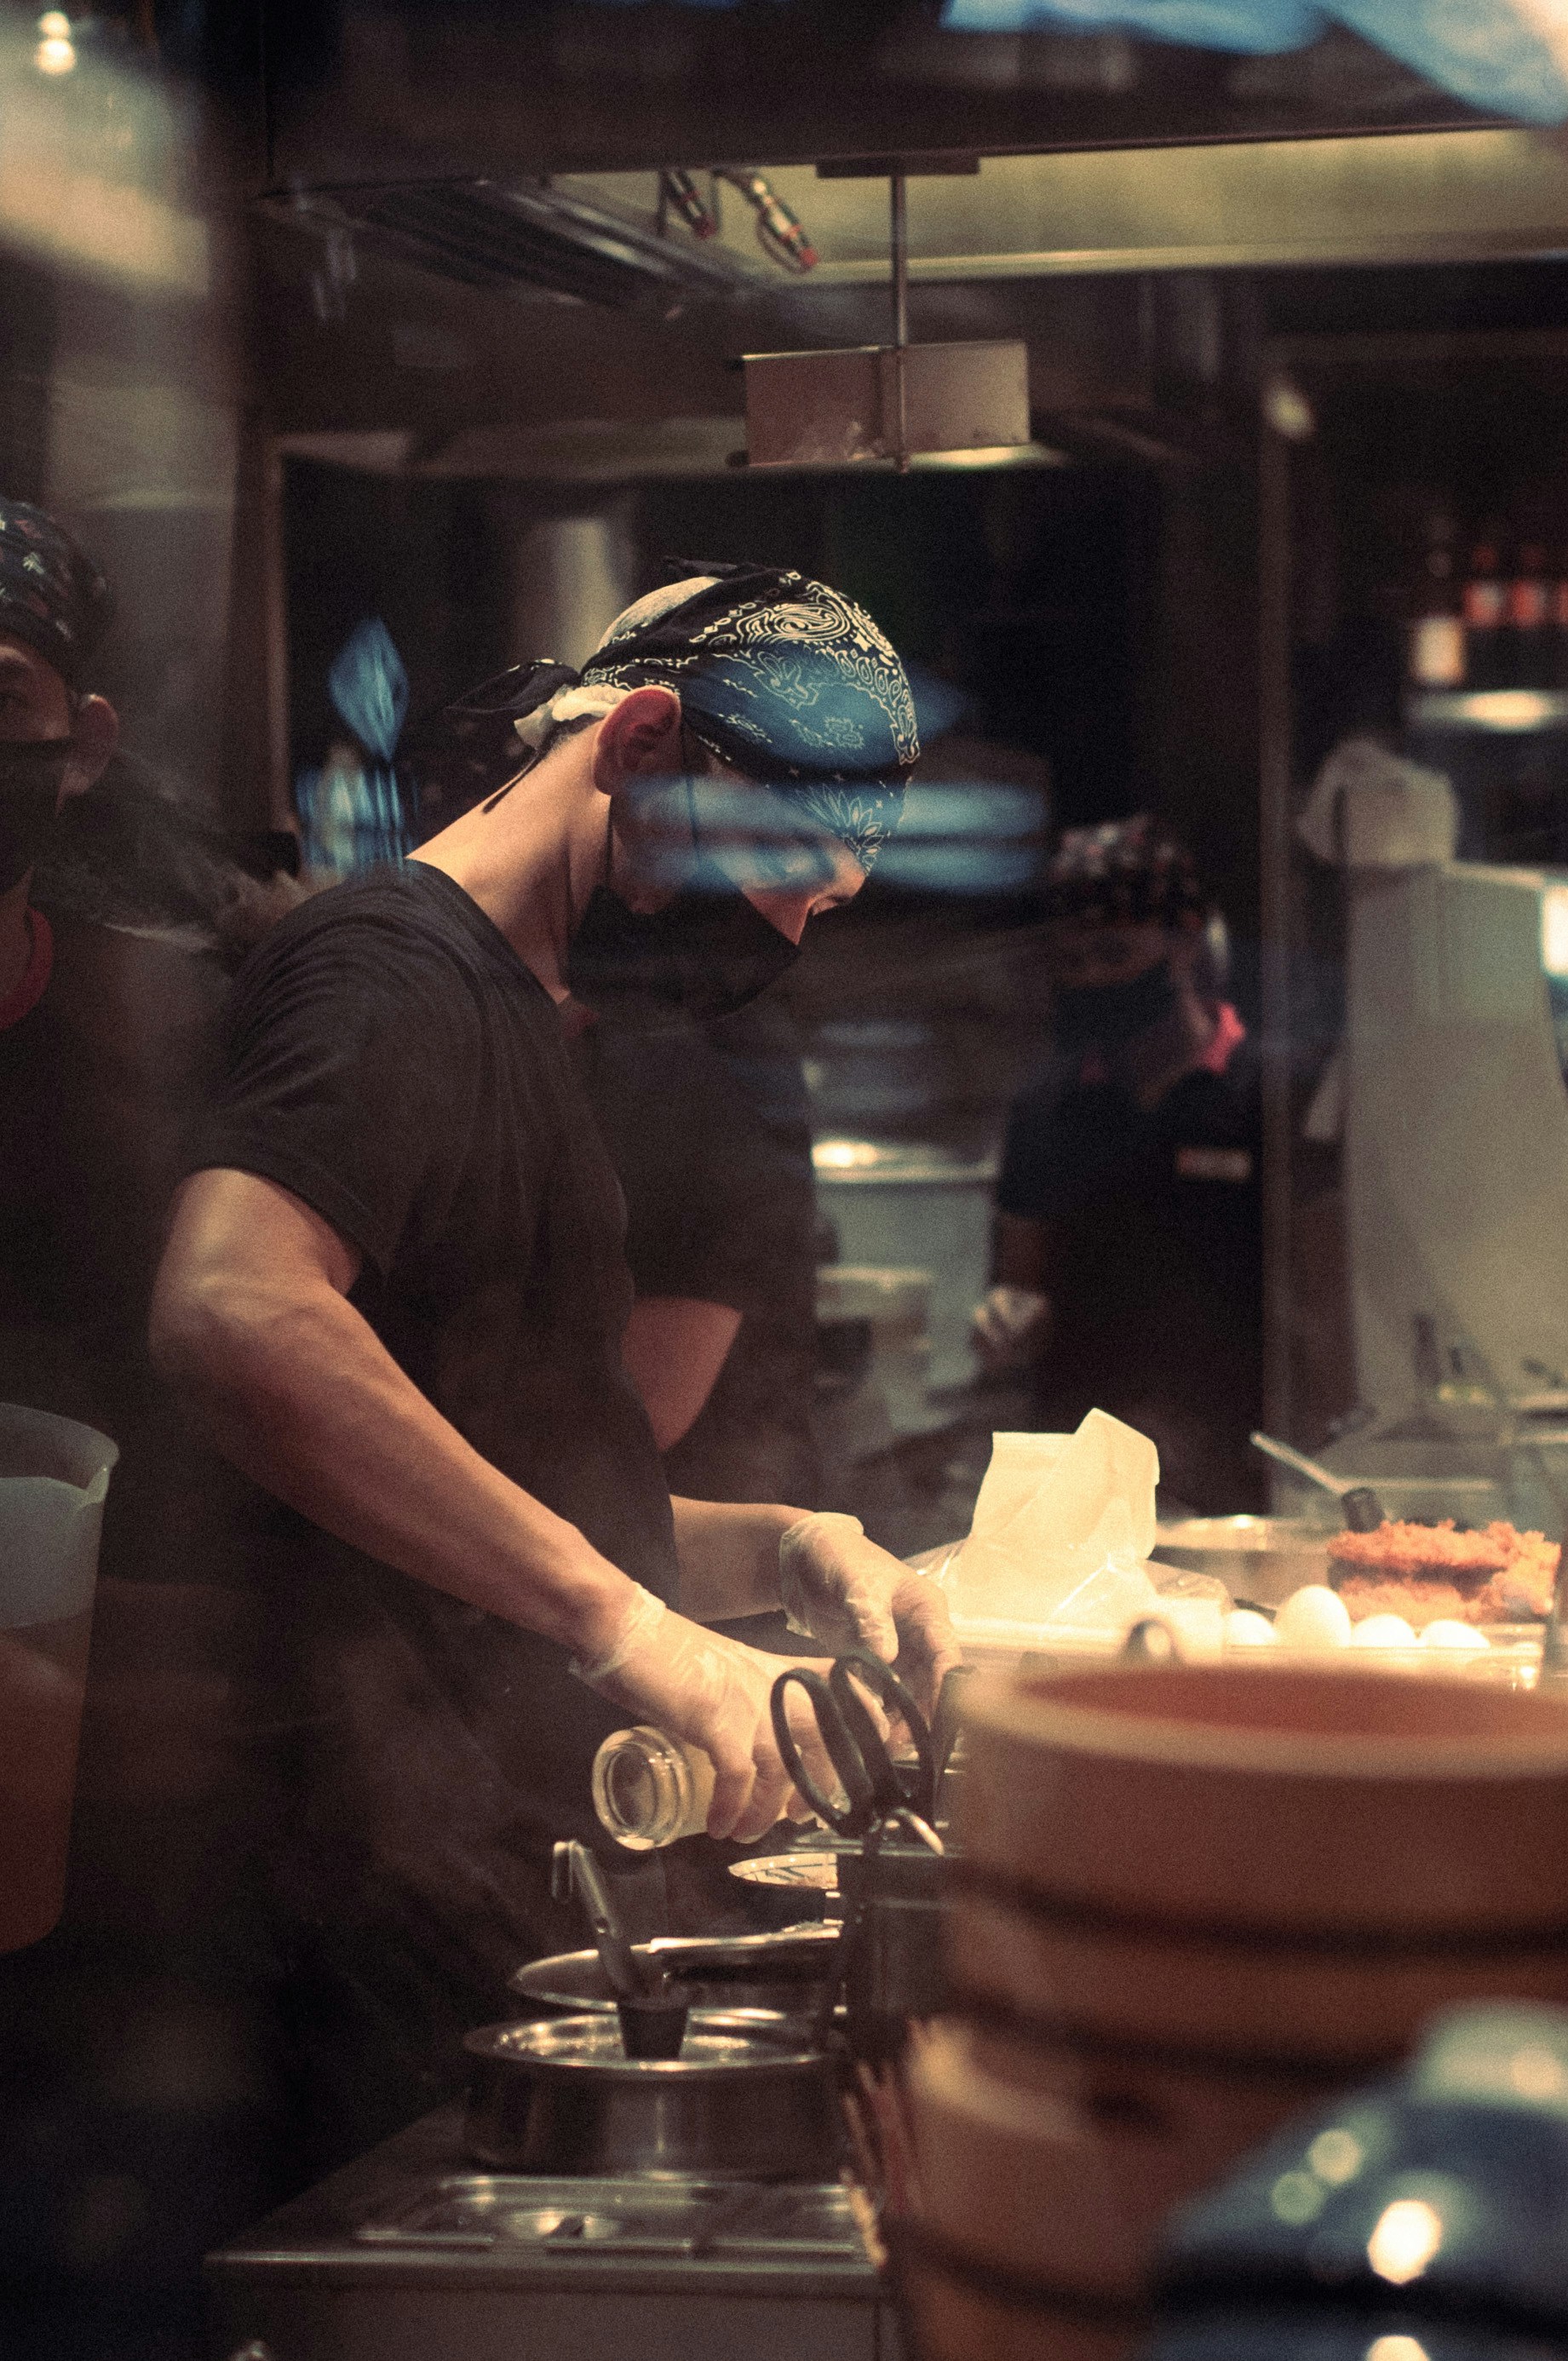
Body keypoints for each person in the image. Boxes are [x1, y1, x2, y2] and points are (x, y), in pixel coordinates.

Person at [150, 566, 960, 2163]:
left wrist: (789, 1552)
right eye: (779, 870)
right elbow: (232, 1307)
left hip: (504, 1891)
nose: (785, 931)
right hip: (359, 1929)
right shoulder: (389, 972)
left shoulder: (528, 1015)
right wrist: (624, 1624)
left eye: (822, 905)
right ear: (644, 741)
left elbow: (510, 1484)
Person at [974, 815, 1263, 1514]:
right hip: (1080, 1469)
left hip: (1235, 1467)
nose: (1092, 979)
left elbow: (1321, 1294)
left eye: (1113, 954)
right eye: (1071, 964)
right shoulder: (1049, 1105)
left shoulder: (1263, 1095)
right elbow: (1020, 1284)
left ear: (1184, 943)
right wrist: (1005, 1322)